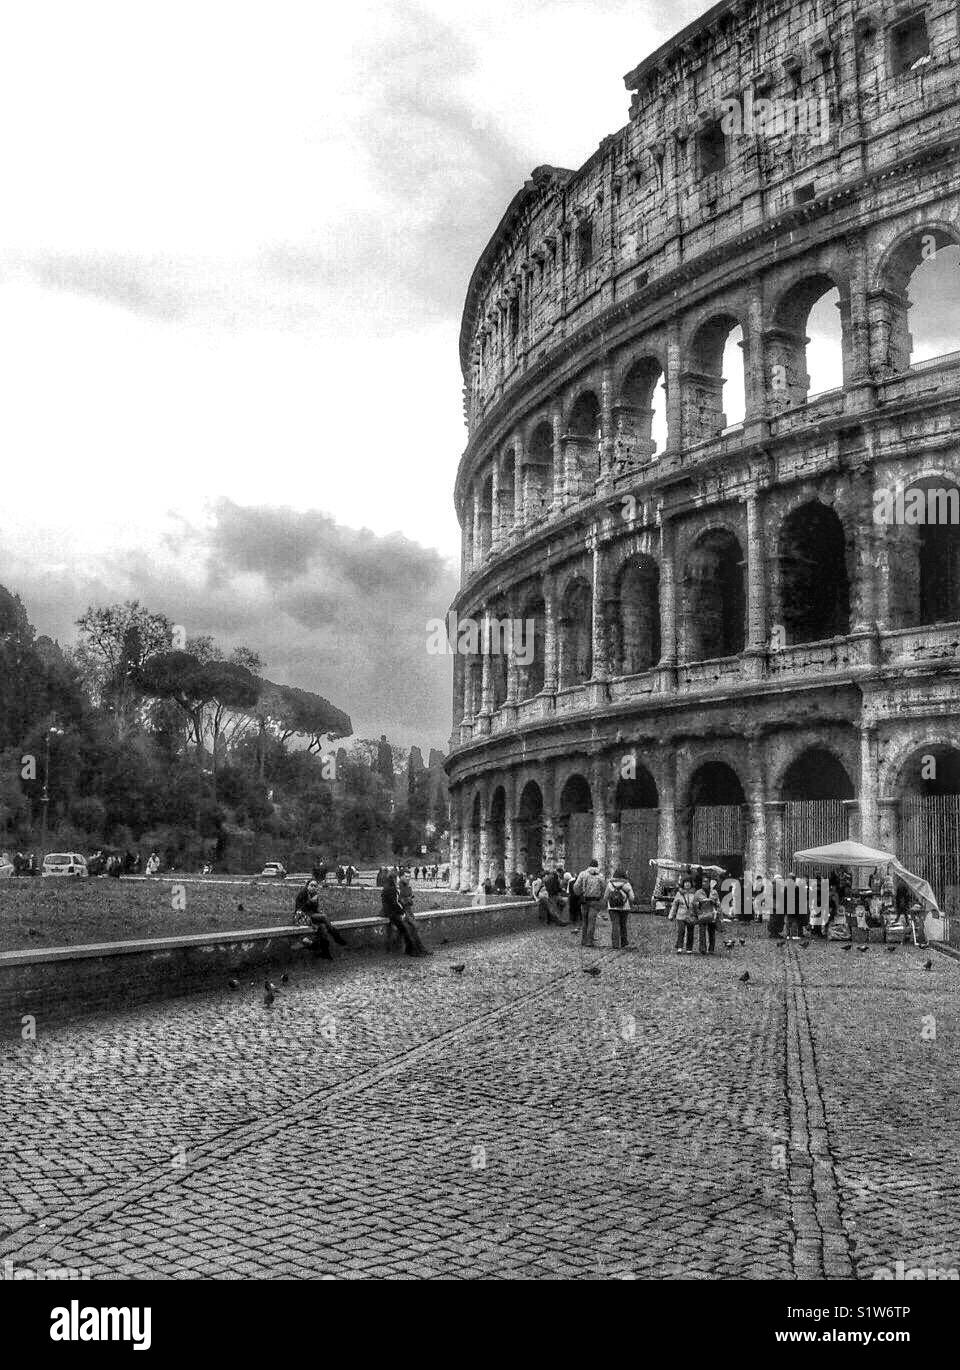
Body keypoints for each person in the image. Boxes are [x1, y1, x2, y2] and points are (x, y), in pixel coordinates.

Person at [294, 878, 347, 960]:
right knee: (324, 917)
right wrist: (311, 901)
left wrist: (318, 911)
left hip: (311, 916)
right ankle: (335, 935)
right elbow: (299, 908)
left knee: (323, 927)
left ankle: (325, 953)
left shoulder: (314, 894)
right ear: (307, 886)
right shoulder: (302, 894)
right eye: (311, 885)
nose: (313, 887)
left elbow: (314, 909)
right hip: (302, 917)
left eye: (315, 886)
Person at [381, 870, 431, 956]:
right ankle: (416, 950)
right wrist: (407, 902)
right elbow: (397, 902)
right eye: (406, 876)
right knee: (410, 928)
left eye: (409, 877)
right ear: (399, 877)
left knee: (412, 928)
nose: (408, 878)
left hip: (403, 911)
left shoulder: (403, 886)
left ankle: (419, 949)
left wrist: (408, 900)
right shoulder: (396, 887)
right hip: (398, 912)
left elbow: (402, 901)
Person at [574, 858, 607, 948]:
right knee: (591, 921)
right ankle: (589, 941)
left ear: (589, 865)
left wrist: (579, 893)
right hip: (595, 901)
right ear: (597, 866)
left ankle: (583, 940)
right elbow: (604, 888)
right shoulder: (600, 876)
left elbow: (576, 887)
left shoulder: (583, 874)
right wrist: (601, 898)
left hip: (584, 901)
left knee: (584, 920)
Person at [604, 867, 635, 950]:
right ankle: (624, 942)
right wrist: (630, 904)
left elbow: (605, 897)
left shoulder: (610, 884)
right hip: (625, 908)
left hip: (612, 907)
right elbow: (632, 897)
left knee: (615, 925)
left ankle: (615, 944)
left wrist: (607, 904)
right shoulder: (627, 884)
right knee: (623, 925)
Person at [669, 876, 698, 953]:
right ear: (683, 884)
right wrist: (671, 915)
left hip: (691, 916)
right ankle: (679, 947)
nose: (687, 884)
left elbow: (697, 905)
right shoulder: (679, 893)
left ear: (691, 884)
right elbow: (675, 905)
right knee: (681, 931)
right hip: (680, 916)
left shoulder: (694, 894)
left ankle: (689, 948)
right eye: (685, 883)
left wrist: (698, 915)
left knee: (690, 932)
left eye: (689, 883)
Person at [695, 875, 720, 955]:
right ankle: (702, 949)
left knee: (711, 932)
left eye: (706, 881)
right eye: (703, 881)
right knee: (702, 932)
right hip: (703, 914)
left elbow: (718, 903)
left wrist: (714, 902)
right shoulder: (698, 892)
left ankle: (711, 949)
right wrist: (699, 903)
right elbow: (694, 903)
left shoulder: (714, 892)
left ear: (709, 883)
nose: (704, 883)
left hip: (712, 914)